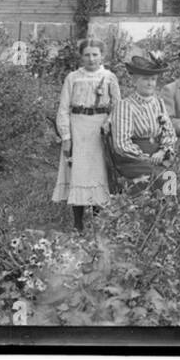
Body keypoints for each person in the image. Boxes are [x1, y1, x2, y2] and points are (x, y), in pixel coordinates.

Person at [51, 38, 120, 231]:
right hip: (78, 127)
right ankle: (78, 224)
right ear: (81, 57)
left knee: (99, 173)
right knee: (79, 172)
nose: (91, 59)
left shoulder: (109, 77)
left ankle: (98, 222)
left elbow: (117, 106)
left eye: (95, 54)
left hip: (100, 130)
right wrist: (66, 136)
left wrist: (109, 123)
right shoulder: (73, 77)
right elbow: (63, 108)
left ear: (102, 56)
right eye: (87, 55)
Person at [109, 53, 178, 186]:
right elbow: (121, 144)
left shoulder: (159, 103)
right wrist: (145, 157)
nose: (150, 83)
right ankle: (147, 205)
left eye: (153, 79)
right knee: (160, 177)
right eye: (145, 79)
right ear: (135, 81)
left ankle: (168, 206)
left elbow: (169, 132)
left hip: (158, 155)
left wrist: (163, 151)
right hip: (133, 159)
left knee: (171, 175)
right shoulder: (125, 105)